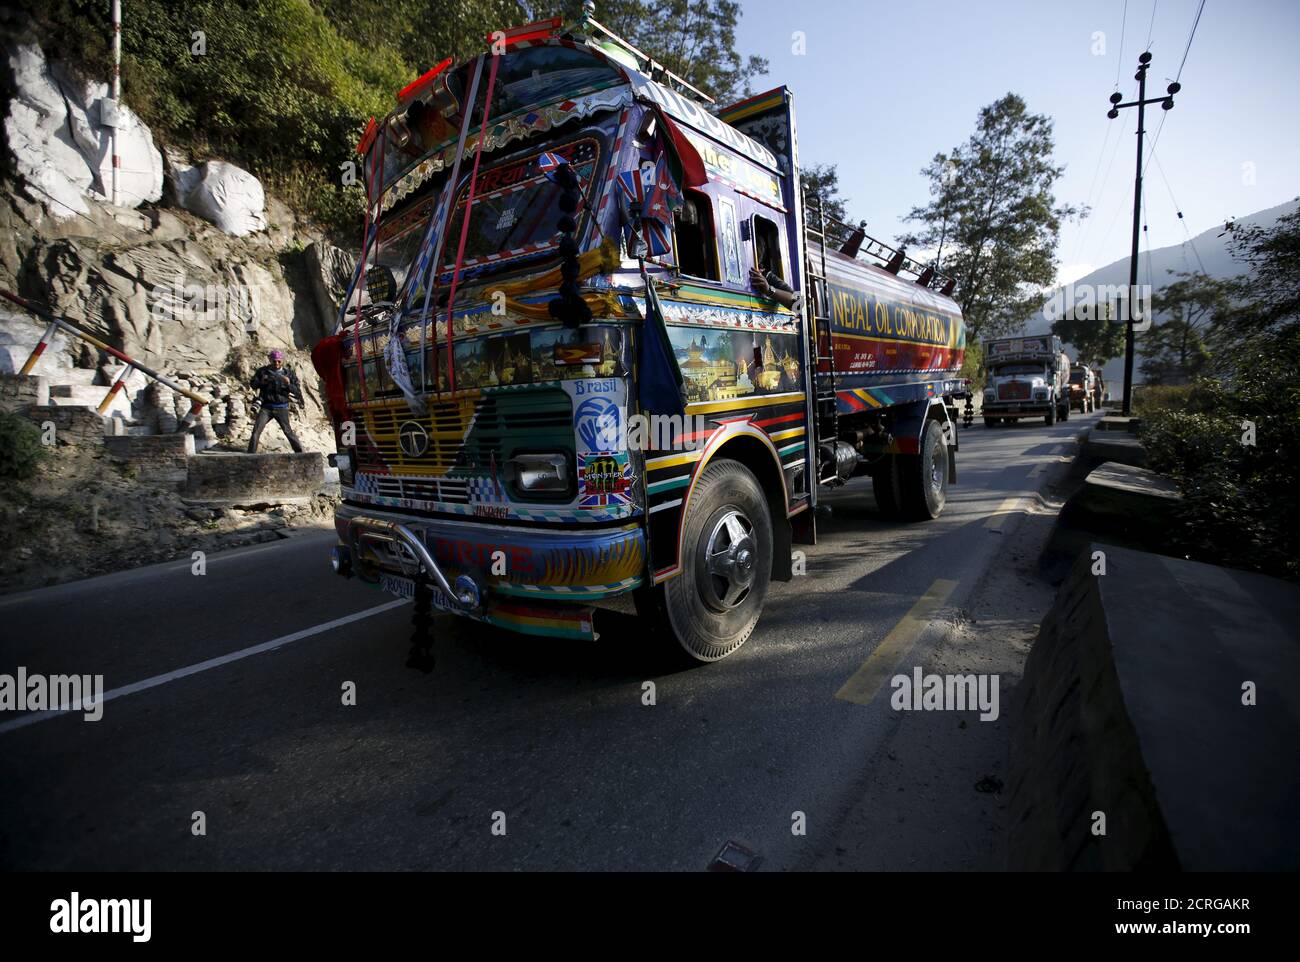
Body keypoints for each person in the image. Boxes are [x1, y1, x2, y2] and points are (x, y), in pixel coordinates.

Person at [247, 349, 305, 453]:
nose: (277, 363)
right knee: (256, 432)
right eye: (274, 361)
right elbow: (253, 385)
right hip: (266, 407)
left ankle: (301, 454)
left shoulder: (289, 374)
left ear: (282, 360)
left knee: (288, 432)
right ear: (270, 360)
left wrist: (288, 384)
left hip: (282, 407)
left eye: (279, 361)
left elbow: (297, 391)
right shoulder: (262, 372)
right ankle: (249, 457)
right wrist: (261, 382)